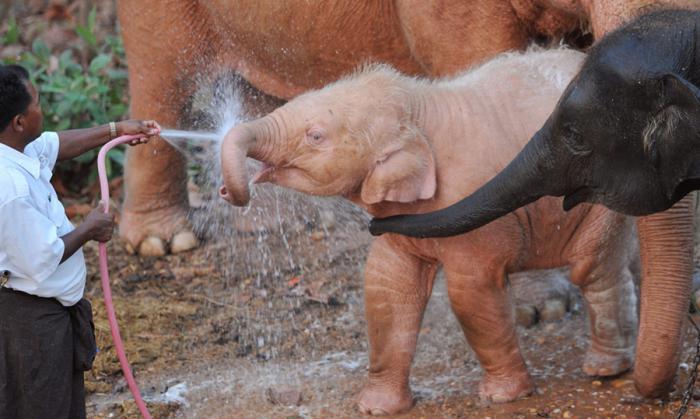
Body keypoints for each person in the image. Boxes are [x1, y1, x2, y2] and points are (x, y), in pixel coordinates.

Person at [0, 63, 161, 419]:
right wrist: (89, 227)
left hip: (48, 313)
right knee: (42, 408)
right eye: (37, 104)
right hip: (30, 322)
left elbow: (57, 144)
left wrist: (118, 129)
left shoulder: (16, 149)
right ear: (19, 122)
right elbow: (43, 259)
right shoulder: (9, 187)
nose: (43, 109)